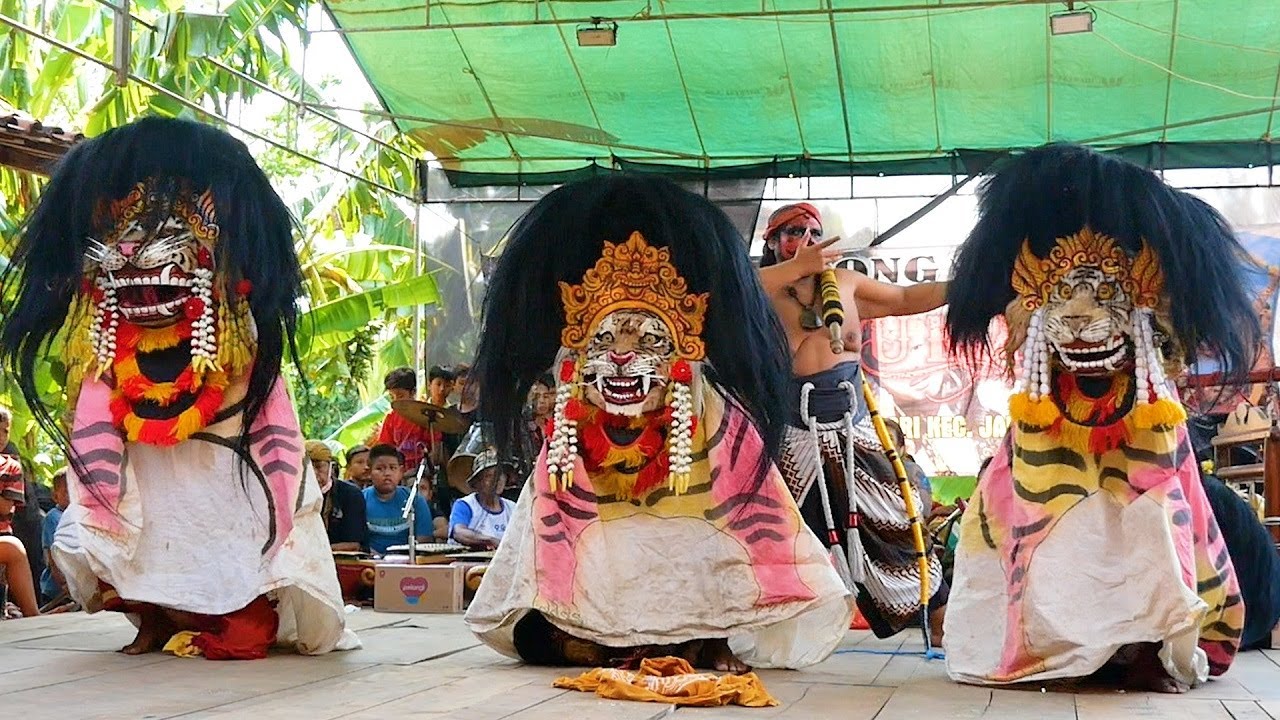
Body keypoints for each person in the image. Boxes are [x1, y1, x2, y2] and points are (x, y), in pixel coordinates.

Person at [0, 117, 357, 658]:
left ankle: (230, 608)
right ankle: (151, 616)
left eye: (163, 233)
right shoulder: (106, 326)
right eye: (121, 233)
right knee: (127, 523)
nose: (130, 250)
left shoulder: (234, 327)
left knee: (228, 540)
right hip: (139, 450)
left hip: (221, 455)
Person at [466, 175, 851, 673]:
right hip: (590, 429)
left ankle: (712, 635)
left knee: (709, 534)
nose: (623, 352)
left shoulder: (708, 325)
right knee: (595, 539)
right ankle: (598, 631)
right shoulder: (583, 348)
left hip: (688, 417)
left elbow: (734, 299)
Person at [943, 144, 1254, 692]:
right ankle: (1056, 641)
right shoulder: (1036, 303)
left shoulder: (1153, 301)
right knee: (1035, 524)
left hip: (1139, 422)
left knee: (1154, 523)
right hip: (1050, 418)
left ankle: (1151, 641)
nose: (1080, 316)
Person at [758, 202, 950, 642]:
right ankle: (767, 629)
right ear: (771, 243)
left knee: (896, 518)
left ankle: (937, 615)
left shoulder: (845, 283)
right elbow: (724, 285)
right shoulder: (758, 292)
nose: (802, 240)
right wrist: (795, 269)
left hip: (853, 425)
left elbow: (906, 298)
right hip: (792, 430)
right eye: (790, 233)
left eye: (811, 232)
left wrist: (975, 282)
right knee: (782, 528)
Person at [363, 444, 433, 556]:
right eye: (379, 469)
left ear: (401, 472)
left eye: (393, 468)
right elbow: (359, 542)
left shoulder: (415, 500)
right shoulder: (361, 500)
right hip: (372, 561)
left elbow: (424, 540)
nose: (387, 473)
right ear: (369, 472)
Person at [449, 448, 517, 550]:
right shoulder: (465, 505)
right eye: (489, 476)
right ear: (477, 483)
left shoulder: (513, 508)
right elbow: (459, 532)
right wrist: (490, 540)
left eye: (500, 474)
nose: (497, 480)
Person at [307, 441, 367, 552]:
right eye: (308, 468)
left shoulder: (350, 494)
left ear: (331, 467)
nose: (314, 473)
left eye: (319, 467)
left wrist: (317, 552)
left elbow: (354, 544)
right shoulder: (292, 496)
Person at [39, 469, 69, 605]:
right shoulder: (54, 517)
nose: (72, 496)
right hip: (57, 590)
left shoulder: (79, 516)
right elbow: (52, 556)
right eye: (66, 492)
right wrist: (63, 583)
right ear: (55, 496)